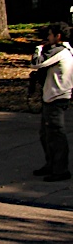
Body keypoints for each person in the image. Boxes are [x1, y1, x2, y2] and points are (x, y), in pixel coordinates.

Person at [31, 22, 73, 182]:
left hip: (56, 97)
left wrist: (39, 49)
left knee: (56, 135)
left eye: (49, 35)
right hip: (53, 96)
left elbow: (36, 63)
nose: (47, 38)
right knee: (46, 134)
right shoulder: (68, 50)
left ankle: (60, 169)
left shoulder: (59, 52)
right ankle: (51, 164)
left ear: (58, 36)